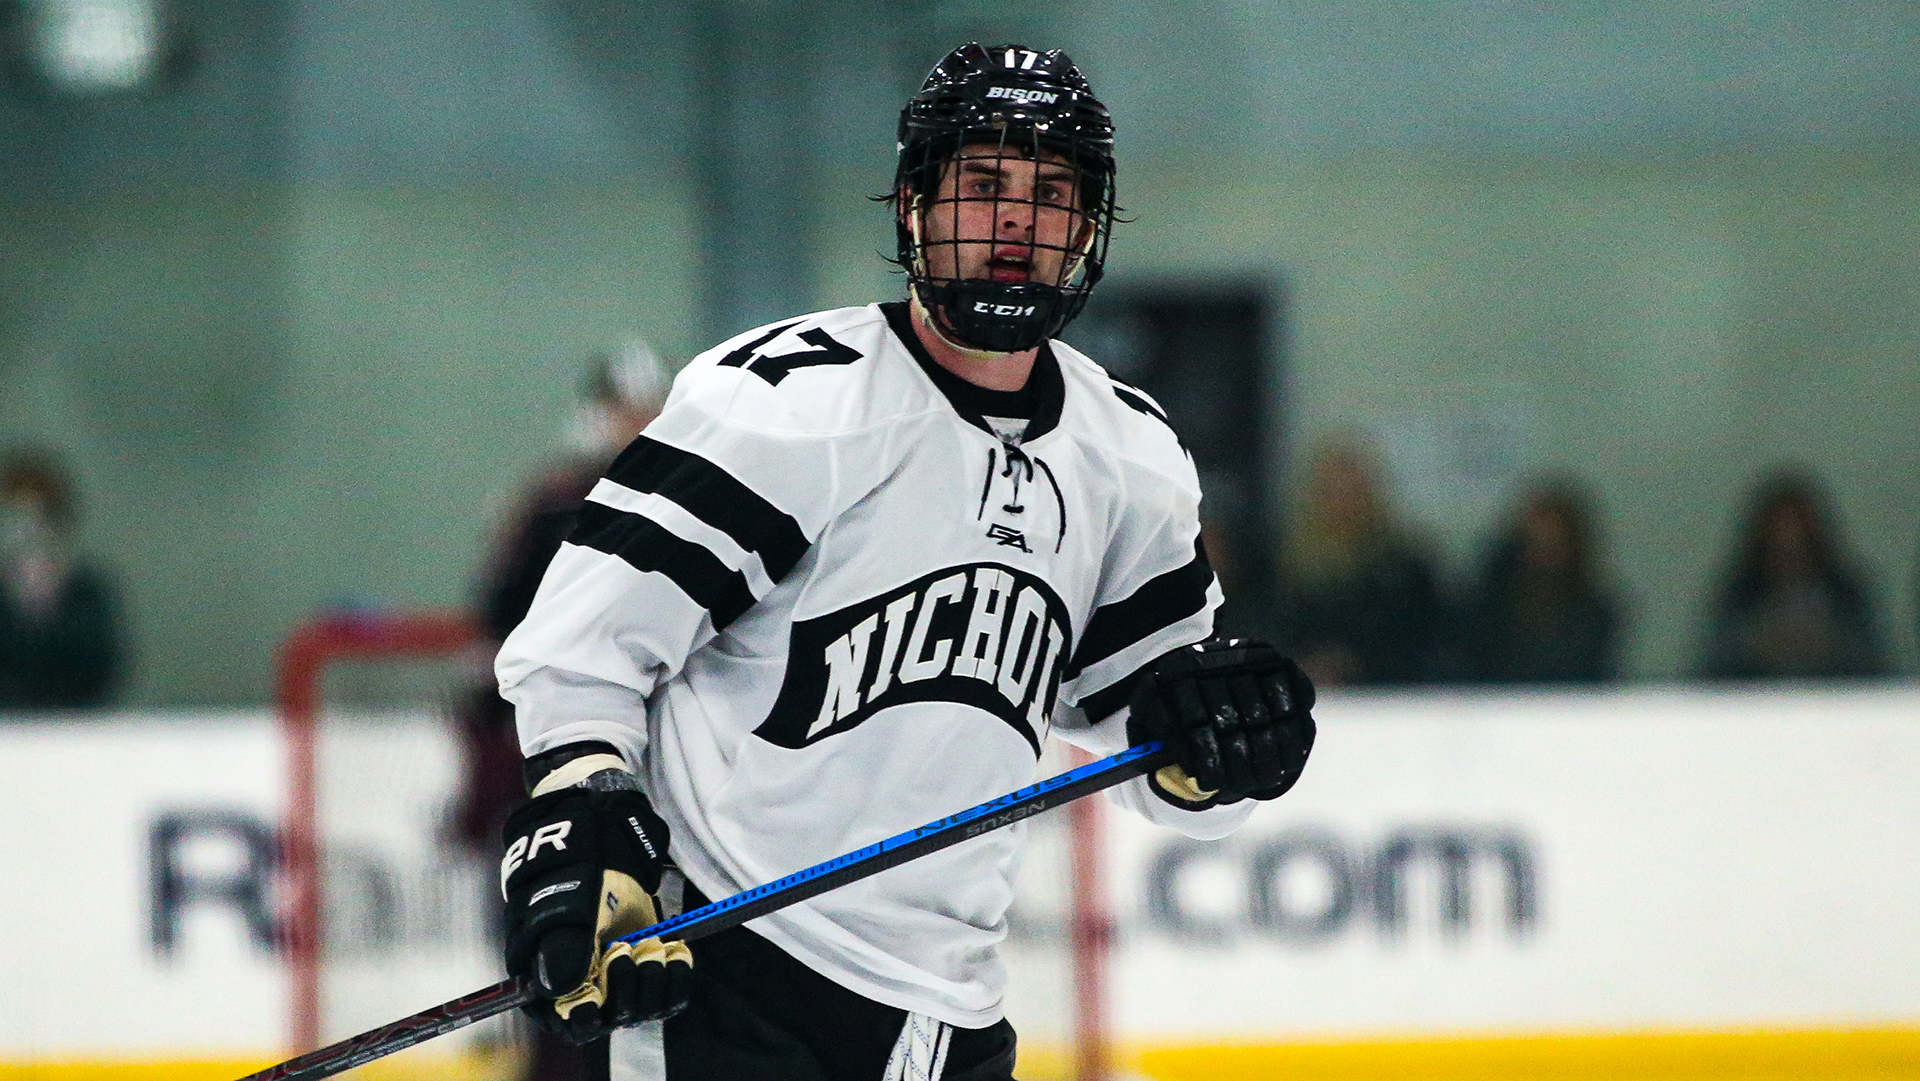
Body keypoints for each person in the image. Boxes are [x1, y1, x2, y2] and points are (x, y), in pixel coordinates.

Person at [490, 43, 1316, 1081]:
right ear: (916, 205)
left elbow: (1149, 745)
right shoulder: (788, 406)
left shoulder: (1128, 457)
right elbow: (581, 649)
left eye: (1050, 191)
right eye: (982, 185)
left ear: (1089, 226)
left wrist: (1226, 751)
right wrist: (583, 803)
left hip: (951, 1016)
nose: (1016, 219)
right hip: (731, 976)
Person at [452, 342, 672, 1081]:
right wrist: (479, 778)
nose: (636, 423)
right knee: (551, 931)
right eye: (625, 407)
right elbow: (495, 650)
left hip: (645, 766)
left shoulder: (683, 501)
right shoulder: (550, 508)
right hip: (543, 761)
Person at [1275, 436, 1445, 687]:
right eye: (1330, 492)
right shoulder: (1282, 573)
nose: (1342, 504)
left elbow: (1422, 645)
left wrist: (1353, 664)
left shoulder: (1405, 572)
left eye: (1352, 491)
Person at [1697, 469, 1889, 681]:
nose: (1789, 546)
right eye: (1779, 545)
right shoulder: (1739, 596)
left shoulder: (1846, 596)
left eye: (1799, 543)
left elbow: (1874, 668)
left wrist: (1830, 647)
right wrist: (1754, 647)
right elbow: (1713, 670)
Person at [1459, 478, 1620, 683]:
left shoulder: (1593, 615)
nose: (1540, 556)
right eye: (1532, 544)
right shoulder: (1486, 609)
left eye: (1552, 545)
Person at [0, 447, 123, 708]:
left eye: (37, 518)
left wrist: (46, 607)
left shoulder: (85, 591)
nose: (25, 531)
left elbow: (101, 671)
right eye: (14, 519)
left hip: (71, 732)